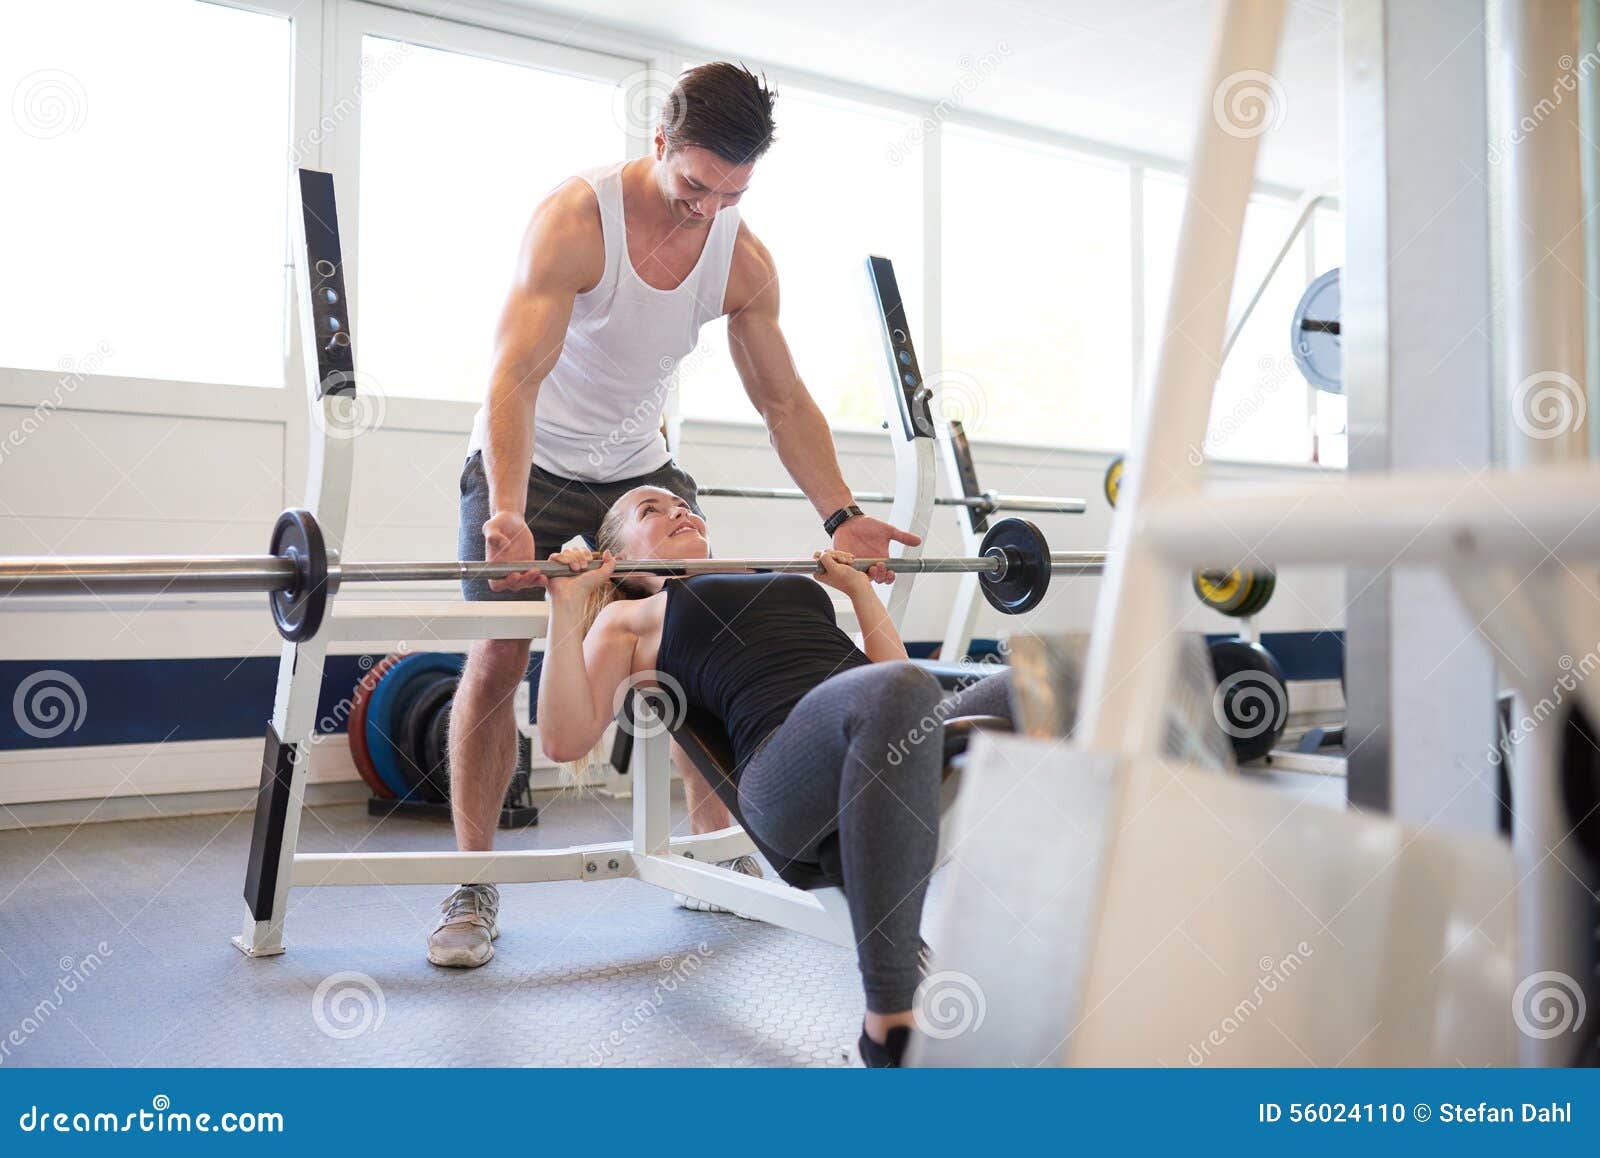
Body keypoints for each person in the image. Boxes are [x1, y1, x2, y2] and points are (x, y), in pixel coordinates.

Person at [434, 61, 921, 968]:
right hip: (530, 459)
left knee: (708, 626)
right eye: (695, 184)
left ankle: (719, 857)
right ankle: (474, 882)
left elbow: (782, 400)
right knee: (501, 649)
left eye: (731, 192)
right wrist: (507, 511)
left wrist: (841, 511)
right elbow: (516, 377)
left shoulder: (741, 255)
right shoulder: (577, 223)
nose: (708, 207)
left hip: (637, 463)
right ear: (659, 144)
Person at [536, 486, 1013, 1067]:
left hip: (876, 726)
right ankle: (887, 1023)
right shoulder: (630, 615)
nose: (677, 511)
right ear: (622, 561)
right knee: (902, 691)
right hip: (781, 776)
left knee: (1051, 677)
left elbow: (892, 680)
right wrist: (565, 602)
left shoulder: (775, 577)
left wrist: (859, 590)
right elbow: (564, 739)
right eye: (650, 512)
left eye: (681, 504)